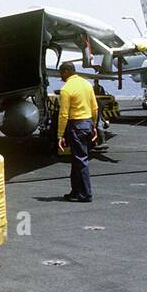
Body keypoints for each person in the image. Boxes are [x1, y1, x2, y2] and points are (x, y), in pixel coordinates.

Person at [55, 61, 97, 203]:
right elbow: (95, 108)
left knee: (80, 159)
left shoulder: (66, 89)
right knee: (76, 159)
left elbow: (64, 114)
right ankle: (76, 191)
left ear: (66, 71)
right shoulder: (86, 84)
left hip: (76, 126)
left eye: (61, 73)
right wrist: (94, 125)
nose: (61, 76)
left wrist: (60, 135)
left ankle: (86, 194)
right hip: (88, 123)